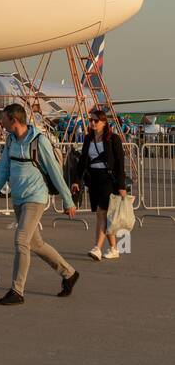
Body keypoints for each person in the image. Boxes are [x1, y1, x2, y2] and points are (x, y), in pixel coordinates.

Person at [0, 104, 80, 304]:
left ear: (14, 120)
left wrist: (68, 201)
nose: (0, 123)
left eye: (3, 119)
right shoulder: (10, 141)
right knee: (36, 244)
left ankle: (17, 291)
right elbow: (3, 169)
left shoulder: (38, 141)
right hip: (18, 198)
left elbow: (55, 172)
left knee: (21, 241)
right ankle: (69, 273)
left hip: (35, 198)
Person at [71, 107, 128, 261]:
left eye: (96, 120)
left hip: (108, 180)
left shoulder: (113, 138)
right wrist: (76, 180)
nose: (92, 123)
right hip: (94, 179)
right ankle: (114, 248)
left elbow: (120, 163)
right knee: (101, 214)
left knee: (103, 213)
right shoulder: (89, 138)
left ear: (104, 122)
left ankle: (97, 247)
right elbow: (83, 161)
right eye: (91, 120)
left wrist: (122, 186)